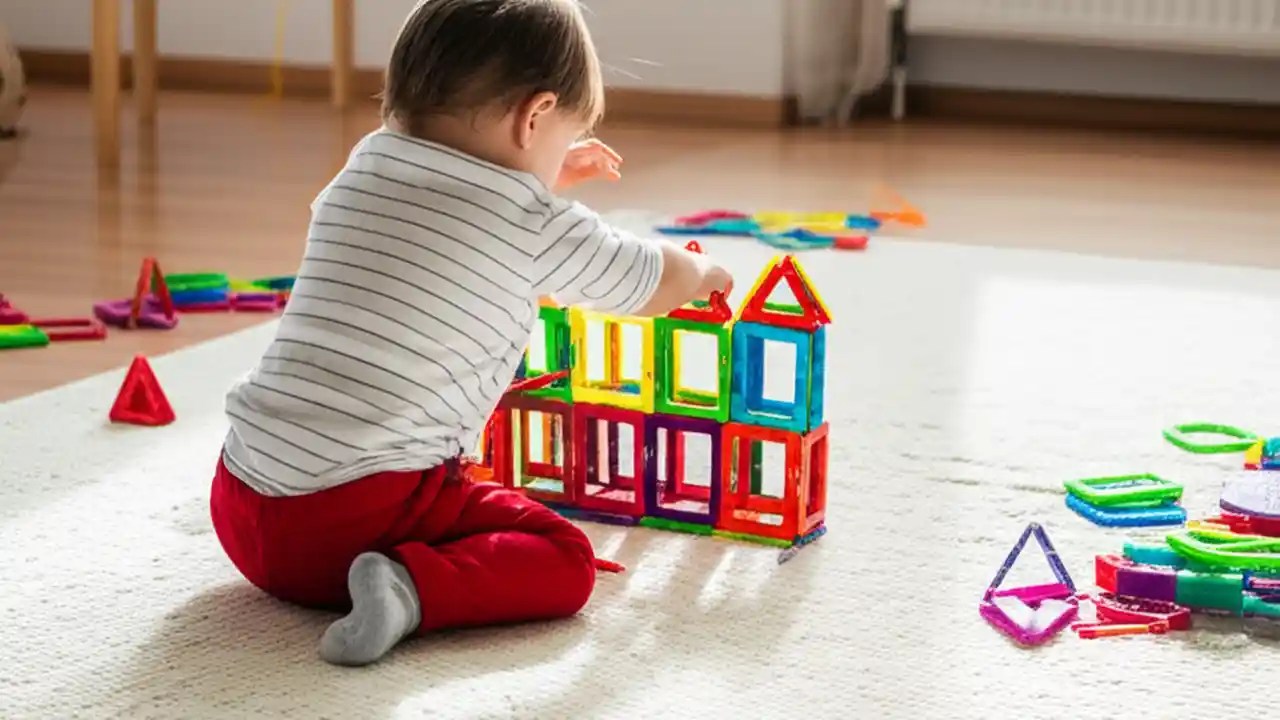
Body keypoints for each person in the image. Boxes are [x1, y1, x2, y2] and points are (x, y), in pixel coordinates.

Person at [209, 0, 734, 667]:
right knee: (566, 559)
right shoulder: (529, 220)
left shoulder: (360, 171)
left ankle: (394, 576)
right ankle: (406, 590)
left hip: (241, 498)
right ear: (536, 116)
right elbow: (647, 281)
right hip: (345, 527)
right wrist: (701, 269)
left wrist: (542, 175)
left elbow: (448, 215)